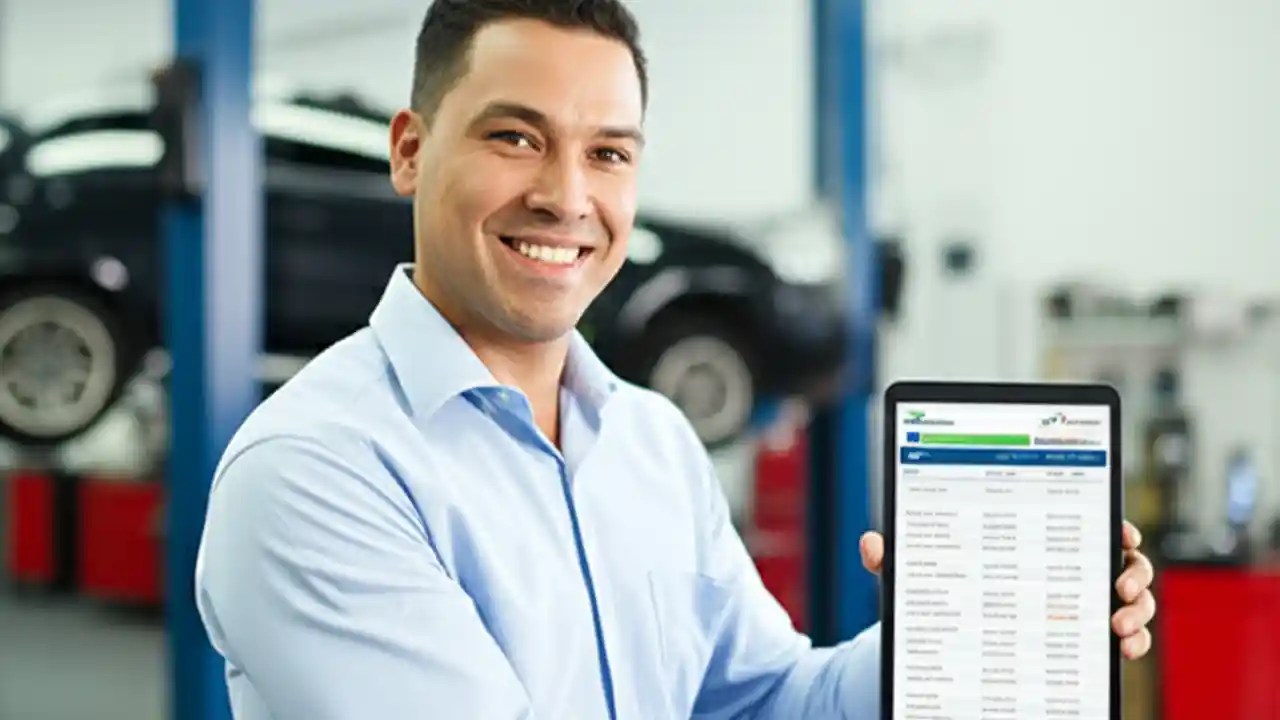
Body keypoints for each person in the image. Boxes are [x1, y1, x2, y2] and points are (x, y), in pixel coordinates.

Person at [195, 1, 1157, 717]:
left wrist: (950, 644)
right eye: (517, 138)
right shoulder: (315, 471)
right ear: (409, 150)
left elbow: (770, 698)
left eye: (608, 154)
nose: (568, 197)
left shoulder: (651, 442)